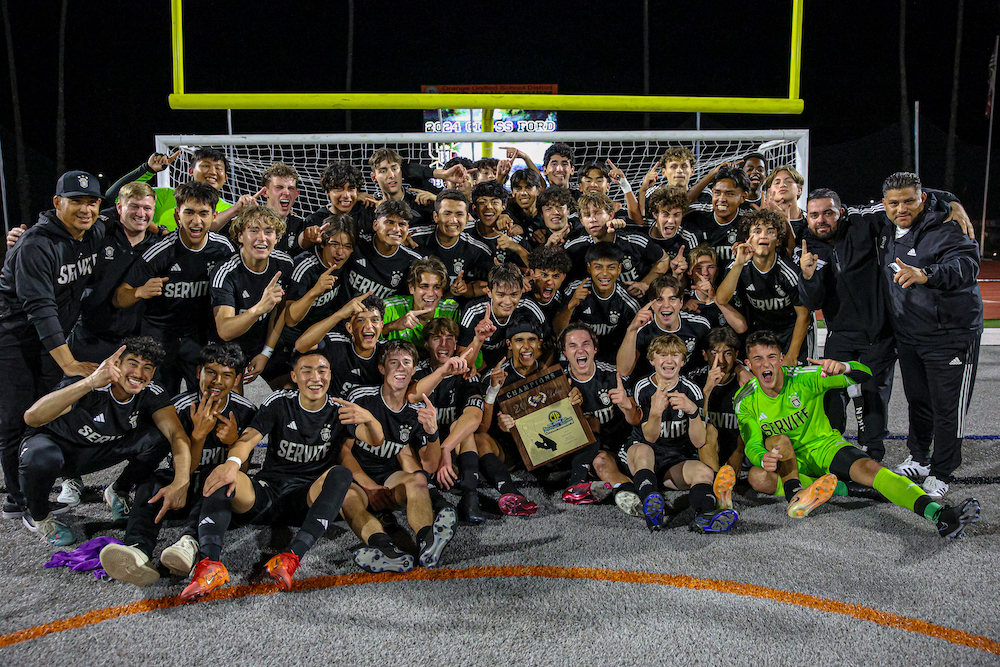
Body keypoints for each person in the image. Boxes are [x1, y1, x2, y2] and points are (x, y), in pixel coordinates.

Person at [736, 330, 980, 539]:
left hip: (824, 448)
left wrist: (846, 367)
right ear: (748, 364)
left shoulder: (804, 379)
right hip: (790, 461)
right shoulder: (745, 400)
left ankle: (938, 515)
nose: (765, 364)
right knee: (759, 474)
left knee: (871, 470)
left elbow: (865, 374)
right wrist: (761, 458)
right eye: (757, 359)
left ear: (781, 359)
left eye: (771, 357)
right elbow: (752, 444)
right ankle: (831, 489)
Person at [181, 348, 383, 599]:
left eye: (322, 370)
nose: (315, 377)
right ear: (294, 376)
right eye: (306, 371)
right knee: (223, 472)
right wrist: (232, 463)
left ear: (330, 375)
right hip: (268, 491)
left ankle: (291, 557)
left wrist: (370, 420)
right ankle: (210, 564)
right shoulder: (279, 401)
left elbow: (375, 440)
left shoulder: (340, 409)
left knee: (341, 474)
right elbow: (249, 439)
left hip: (307, 500)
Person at [98, 343, 257, 585]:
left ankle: (189, 543)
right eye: (211, 372)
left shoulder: (245, 411)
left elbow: (242, 474)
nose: (217, 381)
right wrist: (199, 436)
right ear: (198, 373)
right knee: (153, 481)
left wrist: (234, 442)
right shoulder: (178, 407)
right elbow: (183, 470)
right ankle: (137, 548)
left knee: (217, 476)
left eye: (227, 375)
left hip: (218, 497)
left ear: (236, 379)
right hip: (181, 487)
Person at [0, 171, 107, 519]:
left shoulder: (93, 232)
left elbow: (119, 206)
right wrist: (70, 364)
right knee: (16, 419)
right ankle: (19, 502)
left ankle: (38, 486)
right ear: (57, 202)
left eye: (92, 202)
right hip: (14, 341)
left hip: (52, 340)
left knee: (45, 416)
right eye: (76, 201)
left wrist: (153, 228)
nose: (86, 209)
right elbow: (41, 312)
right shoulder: (35, 246)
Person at [19, 338, 190, 546]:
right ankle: (39, 517)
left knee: (159, 438)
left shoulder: (151, 391)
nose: (139, 373)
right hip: (57, 449)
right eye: (133, 364)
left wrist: (182, 481)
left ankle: (118, 491)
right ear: (116, 365)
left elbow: (176, 435)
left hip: (97, 451)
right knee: (41, 457)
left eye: (148, 368)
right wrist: (89, 382)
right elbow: (32, 417)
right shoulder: (89, 382)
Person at [878, 172, 983, 499]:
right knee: (919, 401)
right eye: (894, 203)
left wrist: (928, 274)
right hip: (910, 335)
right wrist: (951, 195)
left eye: (909, 200)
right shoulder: (885, 228)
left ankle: (942, 470)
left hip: (950, 335)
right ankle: (920, 457)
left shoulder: (948, 227)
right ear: (884, 205)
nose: (901, 208)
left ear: (923, 199)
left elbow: (967, 265)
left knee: (947, 406)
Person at [340, 341, 457, 569]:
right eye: (394, 363)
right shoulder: (361, 398)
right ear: (382, 369)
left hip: (388, 478)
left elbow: (430, 465)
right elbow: (342, 451)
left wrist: (433, 434)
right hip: (356, 479)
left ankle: (427, 542)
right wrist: (369, 487)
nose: (401, 368)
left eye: (407, 363)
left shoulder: (417, 410)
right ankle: (387, 551)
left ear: (414, 370)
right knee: (347, 498)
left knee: (419, 480)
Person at [115, 181, 235, 396]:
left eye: (203, 213)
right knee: (157, 399)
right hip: (158, 336)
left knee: (205, 396)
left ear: (214, 216)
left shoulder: (223, 249)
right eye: (189, 212)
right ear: (177, 215)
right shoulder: (160, 251)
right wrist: (139, 292)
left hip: (198, 337)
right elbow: (119, 297)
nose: (196, 221)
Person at [619, 333, 738, 533]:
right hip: (643, 453)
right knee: (643, 451)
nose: (668, 360)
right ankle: (651, 504)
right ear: (652, 360)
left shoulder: (692, 390)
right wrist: (656, 413)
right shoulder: (643, 387)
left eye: (675, 355)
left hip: (674, 458)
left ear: (683, 361)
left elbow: (699, 441)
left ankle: (705, 515)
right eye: (662, 355)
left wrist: (692, 413)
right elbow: (649, 437)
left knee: (704, 472)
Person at [410, 318, 486, 522]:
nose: (444, 344)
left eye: (449, 338)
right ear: (426, 344)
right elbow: (412, 396)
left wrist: (446, 449)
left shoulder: (466, 373)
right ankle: (433, 497)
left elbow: (475, 416)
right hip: (425, 445)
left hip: (450, 444)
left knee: (463, 429)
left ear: (456, 343)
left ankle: (470, 496)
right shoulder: (416, 371)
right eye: (437, 338)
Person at [716, 209, 813, 365]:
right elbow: (721, 299)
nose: (763, 235)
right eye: (757, 231)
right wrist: (739, 263)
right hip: (761, 333)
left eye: (770, 231)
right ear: (747, 239)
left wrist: (792, 355)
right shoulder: (740, 265)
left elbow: (804, 315)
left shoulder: (789, 272)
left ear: (778, 240)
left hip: (791, 330)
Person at [560, 323, 641, 505]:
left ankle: (639, 494)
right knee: (600, 461)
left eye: (585, 344)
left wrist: (627, 405)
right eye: (573, 346)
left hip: (619, 443)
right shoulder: (558, 383)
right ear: (565, 353)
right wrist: (566, 408)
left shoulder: (613, 375)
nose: (580, 350)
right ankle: (633, 497)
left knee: (606, 460)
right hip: (583, 450)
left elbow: (637, 418)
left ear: (595, 349)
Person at [564, 191, 668, 297]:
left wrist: (645, 283)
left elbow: (664, 260)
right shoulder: (575, 247)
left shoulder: (632, 239)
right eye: (587, 215)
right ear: (581, 221)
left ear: (610, 215)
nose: (592, 219)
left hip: (636, 302)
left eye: (598, 213)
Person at [104, 148, 234, 232]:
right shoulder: (166, 196)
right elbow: (113, 198)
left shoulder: (230, 211)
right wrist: (147, 170)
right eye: (206, 166)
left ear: (225, 177)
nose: (212, 172)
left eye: (218, 168)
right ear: (191, 171)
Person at [554, 243, 641, 363]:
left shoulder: (628, 300)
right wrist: (571, 306)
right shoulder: (575, 289)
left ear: (619, 268)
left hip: (611, 355)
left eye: (611, 267)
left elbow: (637, 342)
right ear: (589, 268)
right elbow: (558, 330)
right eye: (598, 267)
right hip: (578, 352)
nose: (604, 273)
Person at [617, 275, 711, 381]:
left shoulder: (700, 325)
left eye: (672, 299)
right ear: (651, 304)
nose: (666, 305)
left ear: (681, 303)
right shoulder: (641, 329)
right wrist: (631, 330)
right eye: (659, 299)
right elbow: (623, 371)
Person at [458, 263, 548, 369]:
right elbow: (463, 362)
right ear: (489, 292)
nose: (507, 302)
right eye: (501, 295)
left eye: (514, 294)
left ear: (521, 292)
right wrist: (479, 339)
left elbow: (548, 345)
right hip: (482, 367)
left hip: (518, 368)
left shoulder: (530, 309)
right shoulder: (474, 312)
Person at [295, 292, 384, 397]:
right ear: (349, 327)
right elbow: (301, 345)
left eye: (374, 320)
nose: (369, 326)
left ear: (381, 325)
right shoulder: (337, 343)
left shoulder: (387, 351)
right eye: (361, 320)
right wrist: (339, 314)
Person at [410, 190, 492, 298]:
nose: (453, 220)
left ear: (467, 219)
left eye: (459, 214)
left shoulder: (478, 250)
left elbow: (495, 283)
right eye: (447, 214)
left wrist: (466, 288)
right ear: (436, 217)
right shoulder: (413, 239)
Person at [344, 199, 423, 300]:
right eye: (390, 222)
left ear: (407, 229)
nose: (396, 229)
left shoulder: (412, 262)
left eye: (402, 224)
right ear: (375, 225)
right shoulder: (356, 244)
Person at [382, 257, 460, 350]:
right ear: (411, 288)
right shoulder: (391, 307)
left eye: (436, 287)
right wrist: (392, 326)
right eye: (424, 286)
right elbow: (365, 338)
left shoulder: (452, 311)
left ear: (442, 291)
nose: (430, 293)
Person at [683, 165, 750, 265]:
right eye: (717, 193)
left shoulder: (749, 222)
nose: (721, 199)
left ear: (743, 197)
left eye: (729, 194)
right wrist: (712, 174)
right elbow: (679, 206)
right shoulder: (697, 213)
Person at [524, 245, 571, 321]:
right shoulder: (520, 294)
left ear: (563, 277)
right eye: (544, 275)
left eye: (555, 276)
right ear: (532, 273)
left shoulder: (565, 299)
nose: (549, 282)